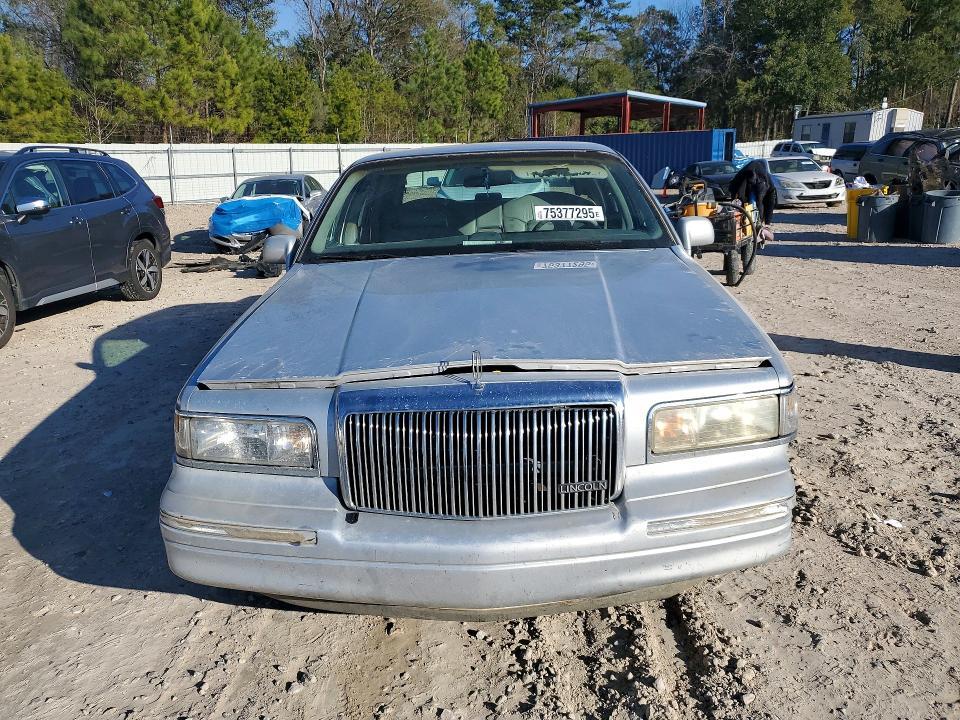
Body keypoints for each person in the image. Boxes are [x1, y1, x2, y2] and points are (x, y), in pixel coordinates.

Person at [728, 159, 775, 244]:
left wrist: (768, 221)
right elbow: (735, 193)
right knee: (744, 220)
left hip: (755, 205)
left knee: (753, 217)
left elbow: (770, 201)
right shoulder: (742, 178)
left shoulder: (766, 181)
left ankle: (757, 233)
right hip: (744, 204)